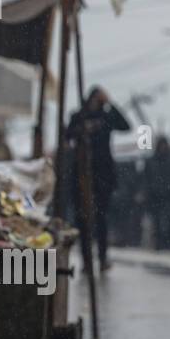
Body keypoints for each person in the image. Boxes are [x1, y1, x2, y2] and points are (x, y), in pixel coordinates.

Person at [66, 86, 130, 271]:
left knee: (101, 218)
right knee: (82, 219)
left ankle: (102, 258)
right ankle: (86, 260)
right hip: (82, 172)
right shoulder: (79, 116)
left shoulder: (107, 116)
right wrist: (82, 129)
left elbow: (125, 126)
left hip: (103, 173)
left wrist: (111, 104)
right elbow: (68, 135)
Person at [144, 136, 170, 251]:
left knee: (169, 220)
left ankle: (167, 242)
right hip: (155, 195)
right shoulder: (152, 161)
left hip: (168, 195)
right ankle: (159, 243)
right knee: (157, 220)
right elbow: (147, 178)